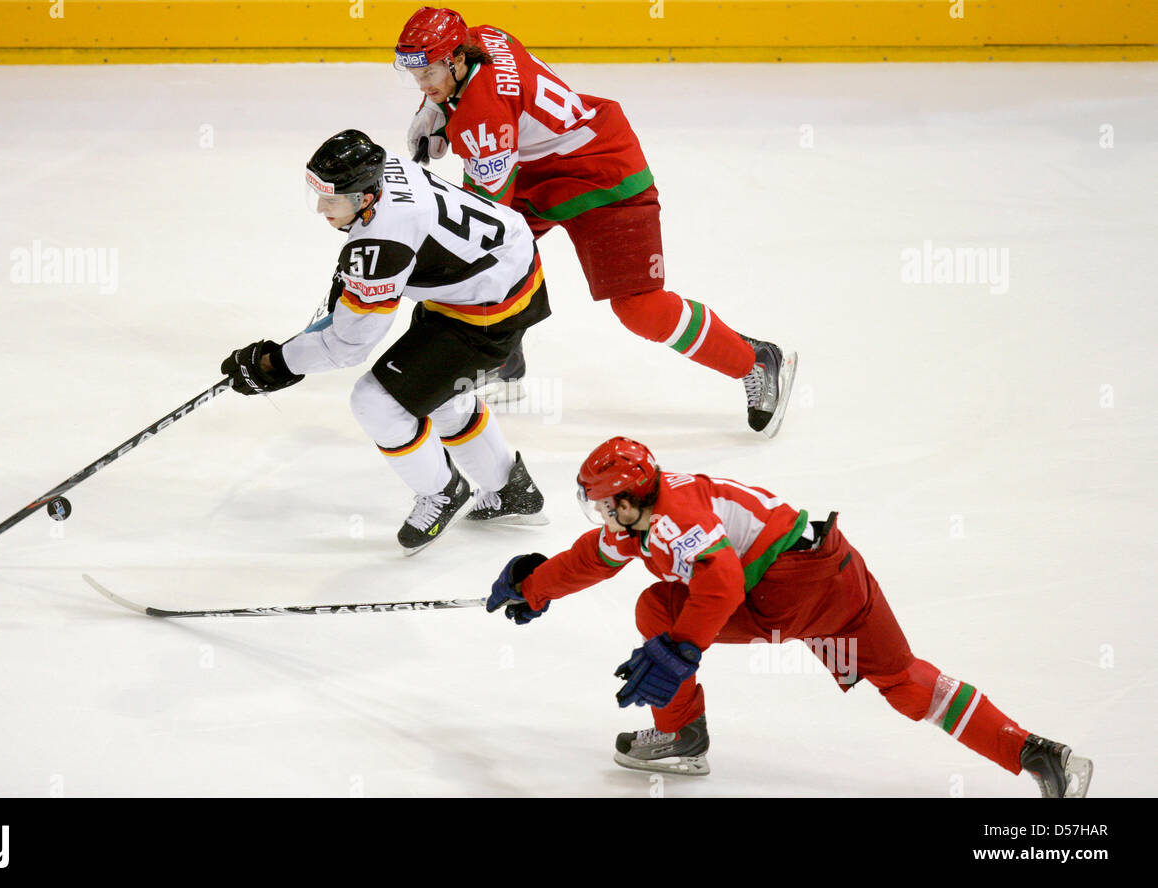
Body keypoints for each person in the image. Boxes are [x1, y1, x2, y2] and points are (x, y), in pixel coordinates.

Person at [485, 437, 1093, 797]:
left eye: (601, 503)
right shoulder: (649, 510)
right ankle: (1036, 753)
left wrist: (681, 649)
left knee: (659, 610)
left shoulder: (673, 518)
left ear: (625, 498)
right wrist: (535, 587)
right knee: (906, 682)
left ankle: (681, 734)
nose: (599, 515)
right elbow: (598, 555)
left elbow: (720, 582)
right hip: (835, 570)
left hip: (784, 594)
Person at [393, 7, 796, 436]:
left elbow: (483, 217)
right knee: (483, 267)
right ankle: (501, 358)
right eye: (416, 75)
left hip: (604, 177)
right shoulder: (484, 37)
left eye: (430, 74)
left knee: (639, 308)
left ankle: (756, 360)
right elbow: (491, 100)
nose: (423, 84)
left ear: (456, 59)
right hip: (538, 169)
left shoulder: (483, 118)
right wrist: (437, 110)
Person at [221, 129, 550, 555]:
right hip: (498, 270)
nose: (321, 208)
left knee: (377, 402)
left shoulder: (382, 243)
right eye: (317, 194)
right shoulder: (379, 169)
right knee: (436, 389)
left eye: (331, 199)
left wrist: (277, 363)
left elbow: (349, 345)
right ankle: (510, 490)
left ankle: (442, 492)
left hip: (488, 307)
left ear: (364, 197)